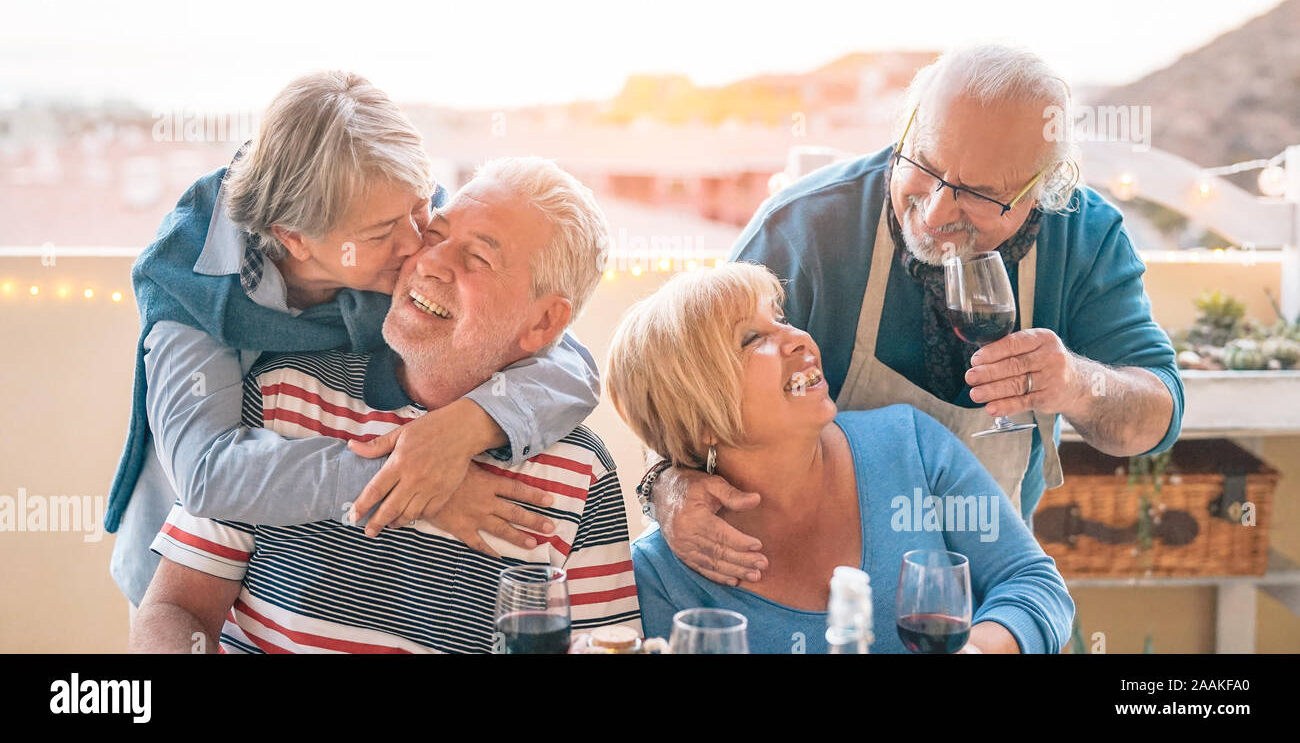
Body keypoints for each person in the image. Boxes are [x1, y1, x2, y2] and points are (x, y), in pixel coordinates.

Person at [641, 44, 1184, 586]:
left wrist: (1077, 385)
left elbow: (1156, 418)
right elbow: (683, 387)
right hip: (809, 583)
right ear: (904, 132)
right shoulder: (804, 228)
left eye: (978, 194)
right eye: (923, 164)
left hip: (987, 586)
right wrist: (666, 486)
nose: (937, 211)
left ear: (1042, 189)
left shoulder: (1087, 239)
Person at [107, 72, 601, 608]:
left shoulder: (386, 197)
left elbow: (565, 360)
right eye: (382, 233)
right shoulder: (188, 281)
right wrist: (409, 479)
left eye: (422, 214)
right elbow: (206, 475)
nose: (420, 247)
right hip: (189, 569)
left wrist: (461, 430)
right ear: (294, 237)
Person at [130, 157, 638, 653]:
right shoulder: (284, 393)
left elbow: (605, 645)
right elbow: (176, 611)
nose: (431, 261)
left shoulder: (581, 474)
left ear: (545, 323)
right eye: (435, 236)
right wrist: (405, 477)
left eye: (478, 259)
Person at [610, 262, 1073, 654]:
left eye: (780, 317)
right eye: (751, 338)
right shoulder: (657, 576)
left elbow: (1032, 583)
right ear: (700, 417)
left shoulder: (907, 445)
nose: (796, 338)